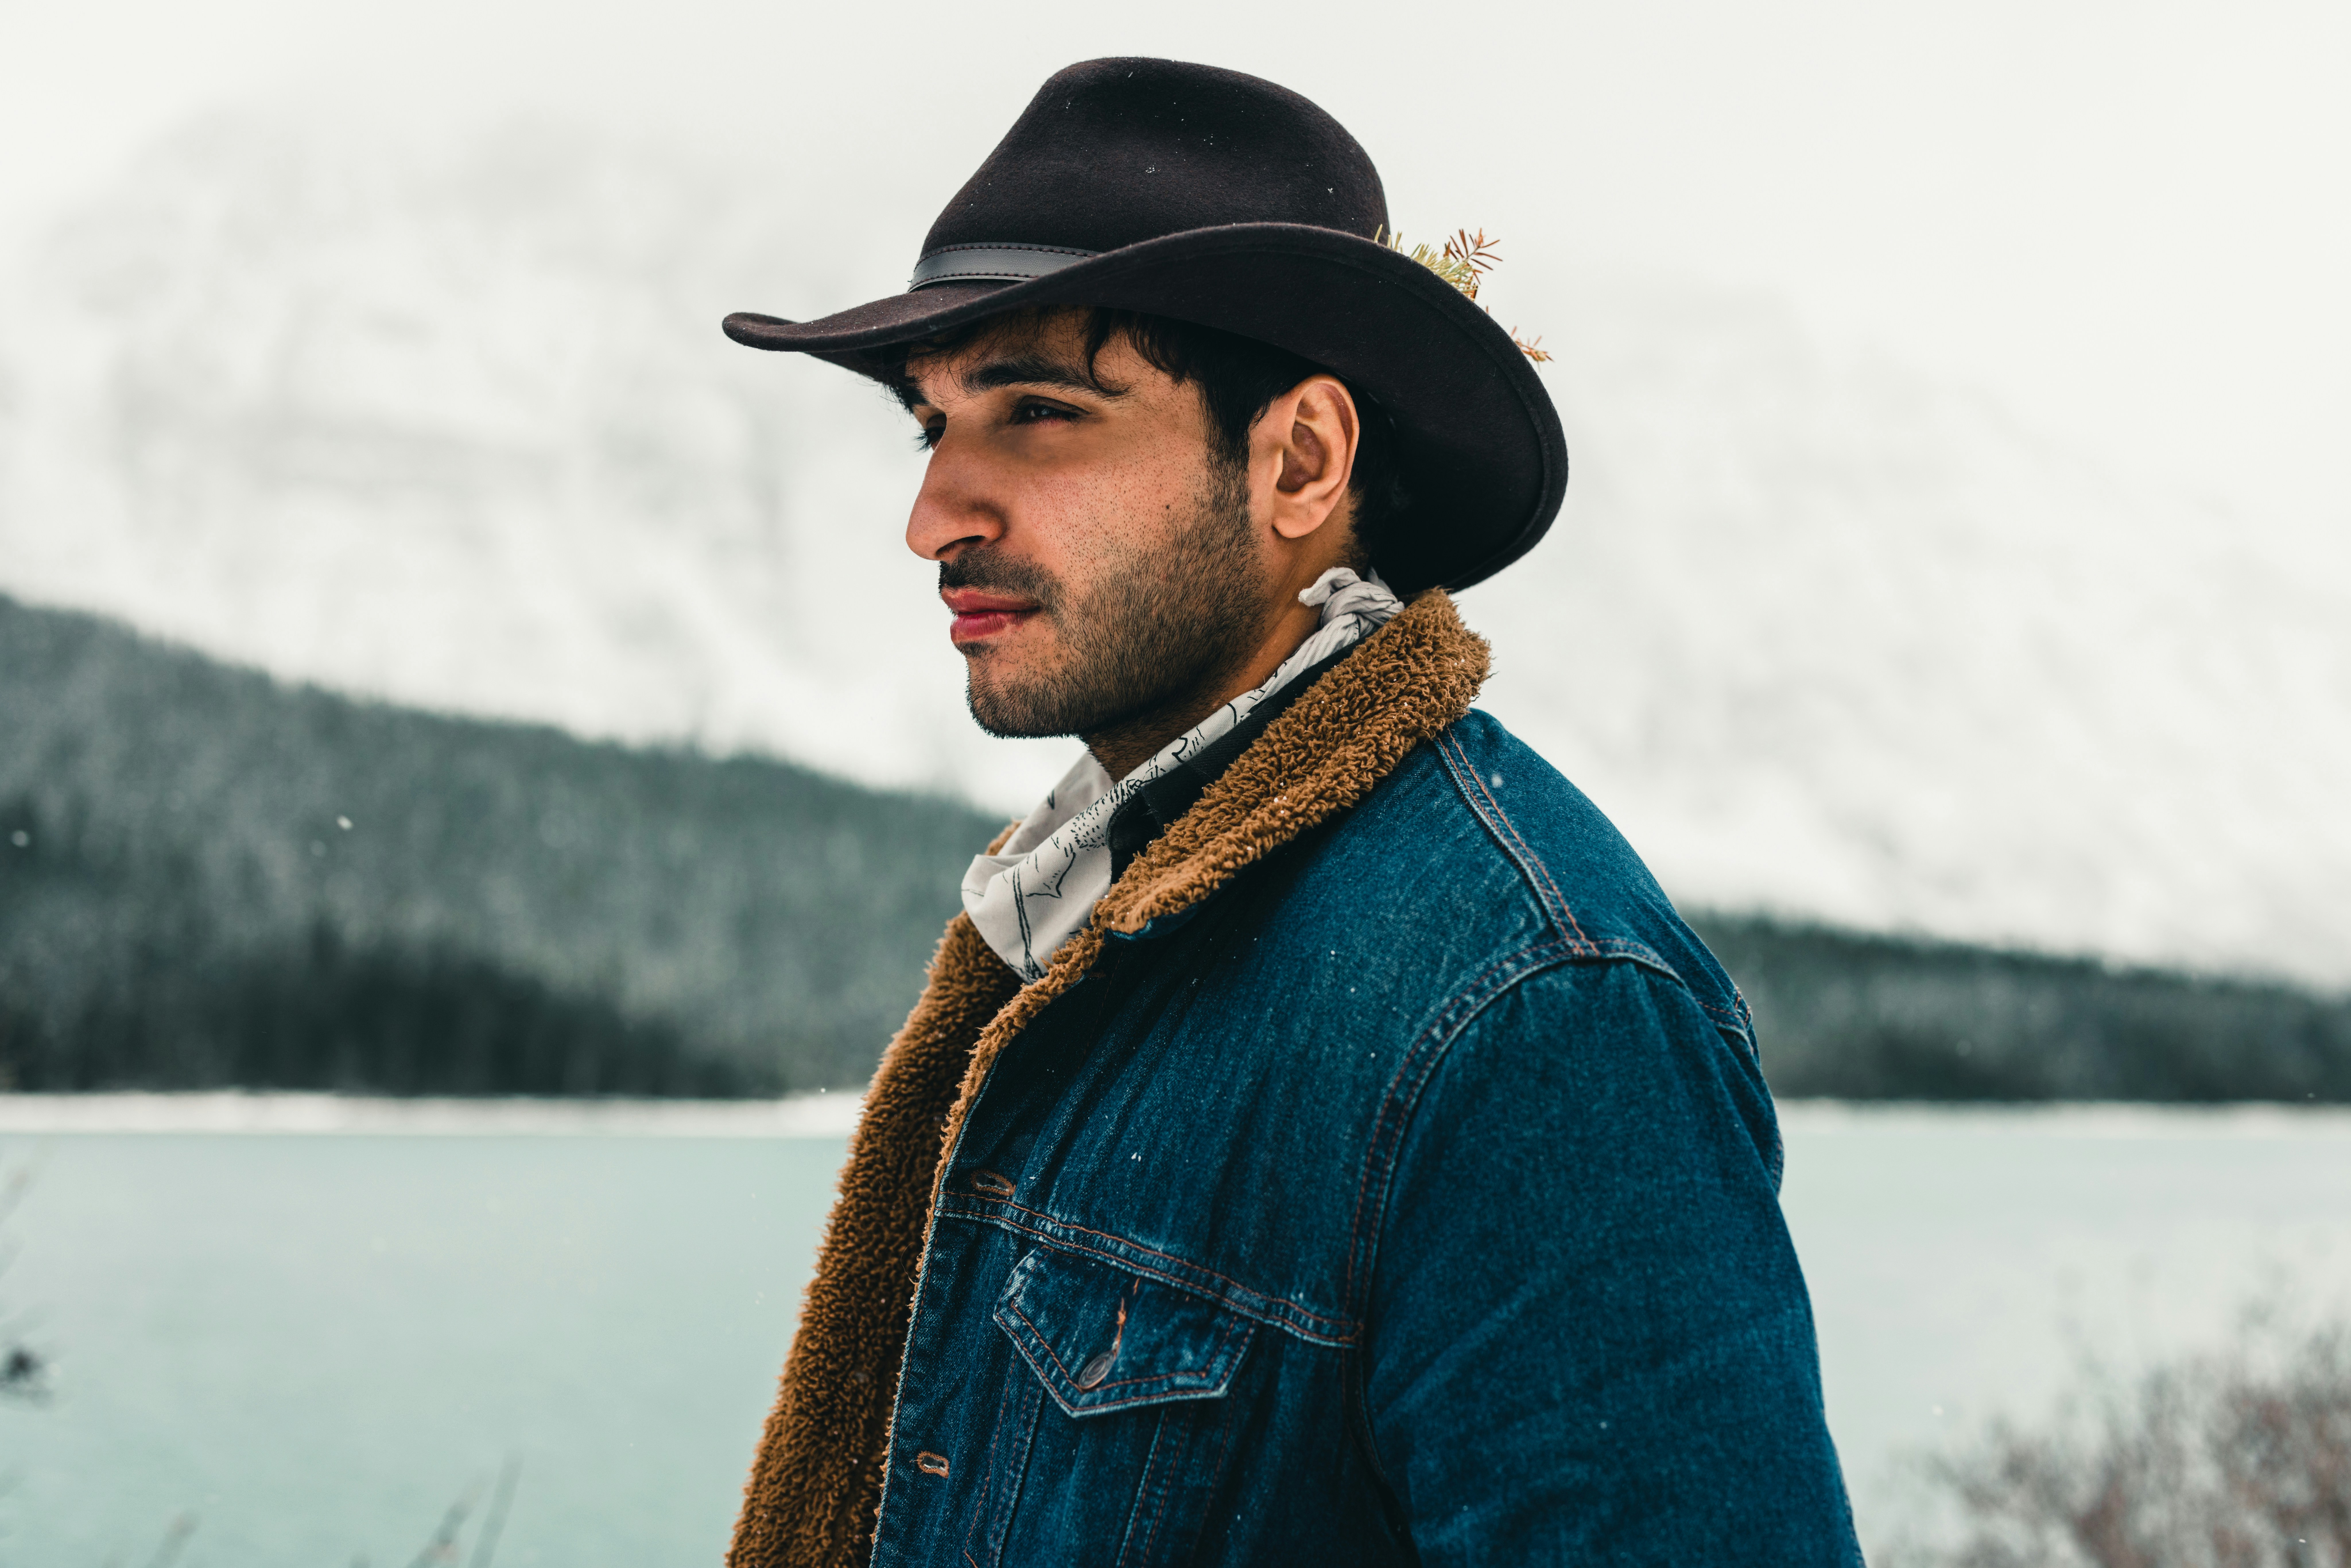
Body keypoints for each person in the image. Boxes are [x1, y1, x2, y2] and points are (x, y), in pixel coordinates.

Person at [719, 56, 1863, 1568]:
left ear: (1301, 461)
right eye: (932, 426)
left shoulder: (1534, 1009)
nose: (935, 516)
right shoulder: (1093, 917)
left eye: (1039, 411)